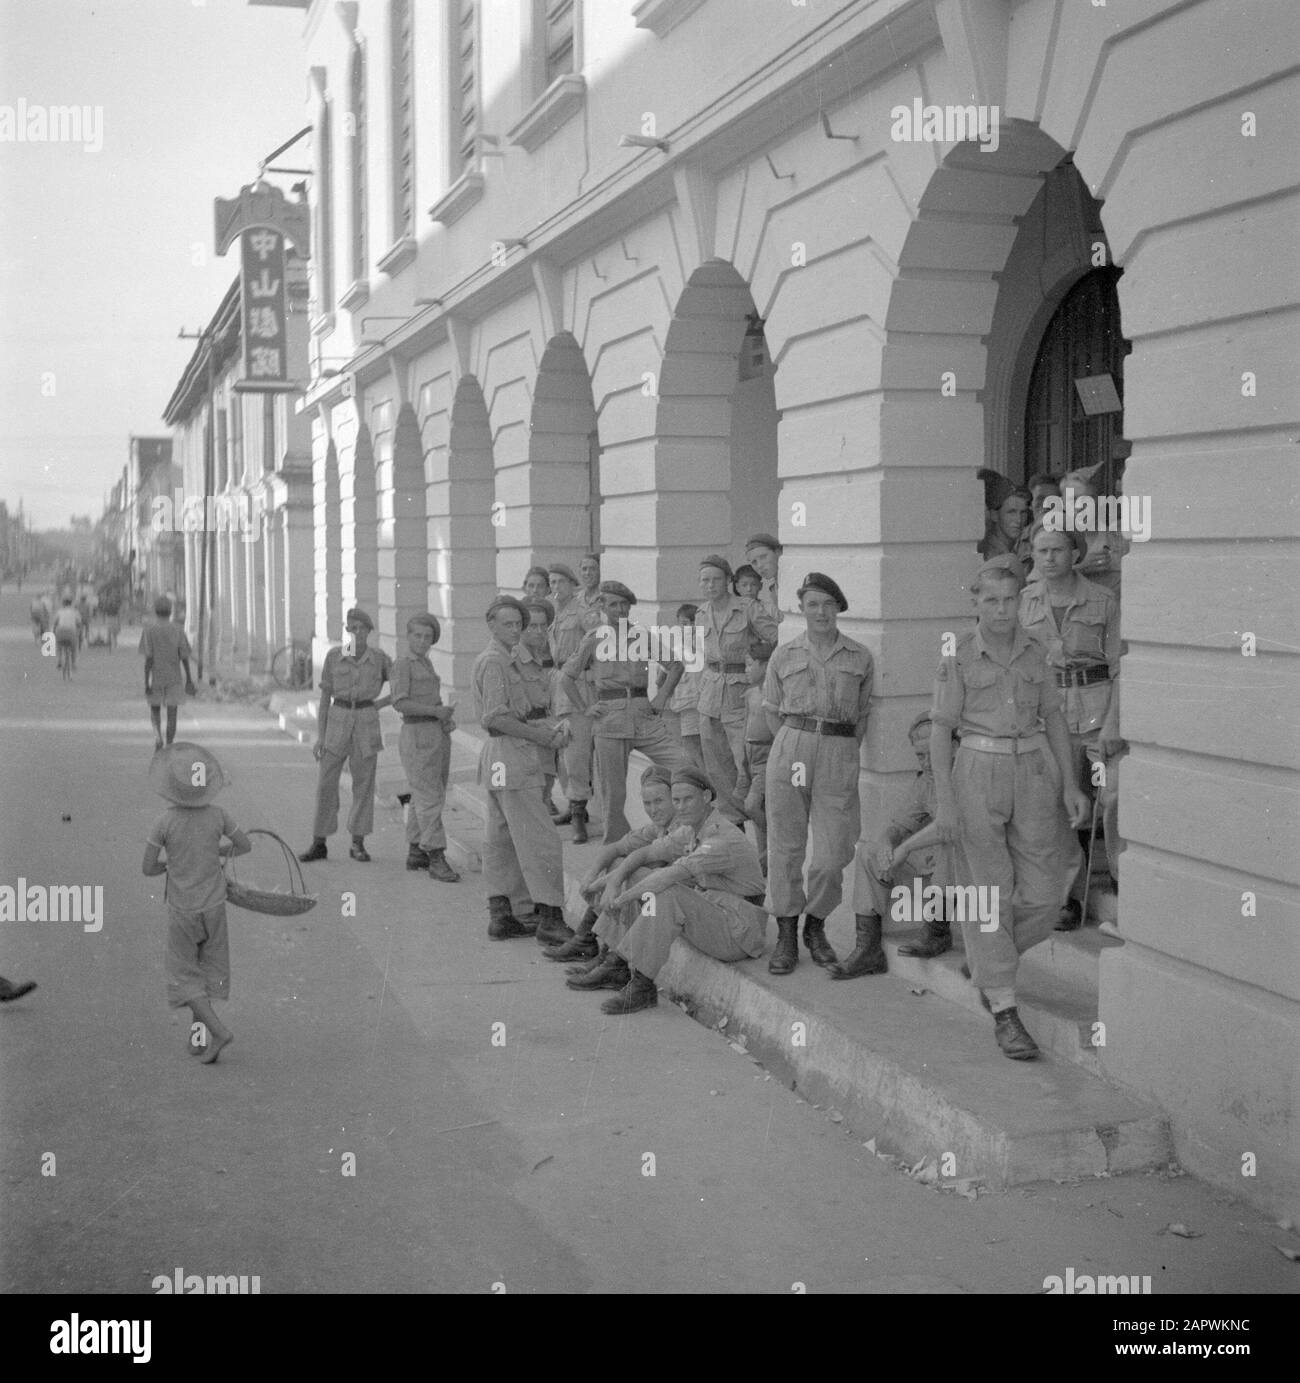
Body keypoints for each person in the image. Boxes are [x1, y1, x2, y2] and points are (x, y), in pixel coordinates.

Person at [930, 554, 1090, 1060]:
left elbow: (1054, 718)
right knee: (988, 891)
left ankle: (987, 957)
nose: (1002, 610)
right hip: (977, 768)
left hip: (1033, 769)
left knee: (1049, 889)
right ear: (975, 603)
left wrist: (1069, 784)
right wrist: (945, 800)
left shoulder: (1036, 649)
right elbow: (939, 728)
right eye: (991, 600)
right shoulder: (956, 654)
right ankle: (1004, 1009)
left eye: (1011, 599)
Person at [763, 572, 874, 975]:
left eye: (828, 604)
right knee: (786, 846)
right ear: (802, 609)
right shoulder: (785, 653)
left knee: (832, 853)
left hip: (838, 752)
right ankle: (787, 934)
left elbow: (862, 714)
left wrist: (838, 750)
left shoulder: (859, 656)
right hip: (792, 746)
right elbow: (772, 709)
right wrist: (793, 746)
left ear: (839, 609)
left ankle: (816, 924)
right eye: (813, 604)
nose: (821, 612)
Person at [590, 766, 768, 1015]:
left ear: (706, 797)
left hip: (739, 930)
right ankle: (616, 961)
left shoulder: (722, 838)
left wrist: (619, 899)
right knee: (636, 873)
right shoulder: (690, 830)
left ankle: (641, 986)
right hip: (714, 912)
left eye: (688, 799)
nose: (681, 807)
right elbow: (645, 854)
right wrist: (609, 883)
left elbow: (669, 876)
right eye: (676, 800)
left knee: (666, 891)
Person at [1019, 521, 1120, 929]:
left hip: (1098, 712)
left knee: (1113, 794)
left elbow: (1120, 668)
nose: (1049, 558)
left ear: (1075, 554)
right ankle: (1067, 898)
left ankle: (1121, 883)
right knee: (1057, 803)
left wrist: (1113, 724)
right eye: (1041, 551)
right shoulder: (1024, 602)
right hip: (1048, 715)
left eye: (1057, 550)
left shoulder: (1103, 600)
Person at [141, 742, 251, 1064]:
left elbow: (148, 868)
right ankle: (199, 1037)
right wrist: (212, 853)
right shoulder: (218, 815)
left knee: (183, 974)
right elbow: (244, 846)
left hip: (183, 910)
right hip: (215, 906)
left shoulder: (164, 822)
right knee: (207, 970)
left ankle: (217, 1032)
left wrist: (171, 864)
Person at [473, 595, 570, 944]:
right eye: (508, 624)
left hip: (502, 757)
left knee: (501, 838)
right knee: (541, 840)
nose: (515, 630)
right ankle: (550, 918)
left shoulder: (504, 659)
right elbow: (496, 717)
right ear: (491, 624)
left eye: (519, 624)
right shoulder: (496, 662)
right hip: (512, 757)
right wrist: (544, 738)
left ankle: (502, 914)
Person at [561, 580, 684, 844]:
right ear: (603, 606)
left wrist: (661, 696)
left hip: (643, 714)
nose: (620, 609)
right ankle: (618, 851)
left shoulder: (641, 636)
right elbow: (566, 678)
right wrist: (585, 708)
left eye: (624, 604)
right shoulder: (594, 638)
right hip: (609, 719)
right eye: (614, 604)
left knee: (683, 766)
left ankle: (676, 835)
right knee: (613, 794)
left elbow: (675, 665)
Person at [832, 713, 951, 977]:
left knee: (948, 850)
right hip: (933, 868)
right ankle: (868, 949)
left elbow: (949, 827)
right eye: (921, 756)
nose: (928, 762)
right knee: (869, 853)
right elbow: (900, 825)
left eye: (933, 752)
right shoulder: (926, 781)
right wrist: (888, 842)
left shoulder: (967, 777)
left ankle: (938, 932)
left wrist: (905, 849)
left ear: (952, 746)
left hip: (969, 870)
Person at [557, 764, 686, 971]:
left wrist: (611, 882)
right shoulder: (658, 827)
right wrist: (591, 875)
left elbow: (648, 862)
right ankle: (600, 949)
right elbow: (614, 848)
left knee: (631, 875)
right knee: (619, 866)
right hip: (666, 900)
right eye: (647, 803)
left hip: (685, 904)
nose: (653, 809)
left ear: (674, 798)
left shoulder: (683, 827)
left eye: (659, 801)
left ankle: (610, 957)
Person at [299, 607, 392, 864]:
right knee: (326, 785)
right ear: (348, 631)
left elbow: (401, 686)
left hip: (366, 722)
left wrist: (380, 704)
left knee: (363, 784)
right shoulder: (333, 657)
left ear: (369, 631)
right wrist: (320, 736)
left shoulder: (380, 659)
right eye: (352, 628)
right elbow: (324, 698)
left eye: (362, 628)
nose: (357, 633)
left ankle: (358, 843)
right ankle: (319, 842)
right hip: (337, 722)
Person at [695, 555, 778, 825]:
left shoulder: (747, 608)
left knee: (747, 767)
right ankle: (734, 826)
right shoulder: (700, 613)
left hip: (741, 695)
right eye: (705, 580)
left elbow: (777, 641)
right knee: (717, 768)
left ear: (728, 581)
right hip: (710, 697)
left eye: (716, 579)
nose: (711, 585)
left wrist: (762, 672)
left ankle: (764, 831)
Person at [391, 613, 459, 883]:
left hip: (434, 733)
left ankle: (416, 850)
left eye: (427, 637)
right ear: (408, 636)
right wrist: (434, 711)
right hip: (417, 733)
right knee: (429, 796)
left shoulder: (425, 663)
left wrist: (443, 717)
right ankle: (436, 856)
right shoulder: (402, 664)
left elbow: (431, 698)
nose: (422, 641)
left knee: (428, 793)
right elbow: (400, 702)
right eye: (417, 635)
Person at [548, 562, 594, 841]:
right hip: (558, 686)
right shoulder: (557, 614)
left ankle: (578, 814)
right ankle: (572, 806)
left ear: (573, 585)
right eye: (551, 583)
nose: (555, 588)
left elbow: (601, 639)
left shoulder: (583, 613)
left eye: (560, 582)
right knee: (563, 755)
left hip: (578, 686)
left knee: (576, 755)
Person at [519, 597, 562, 818]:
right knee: (531, 805)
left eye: (543, 625)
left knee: (544, 797)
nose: (539, 631)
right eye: (532, 626)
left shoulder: (542, 656)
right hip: (525, 739)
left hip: (545, 735)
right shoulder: (513, 658)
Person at [732, 648, 773, 871]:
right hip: (750, 754)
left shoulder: (772, 696)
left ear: (765, 665)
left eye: (750, 664)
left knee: (752, 805)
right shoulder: (750, 694)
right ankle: (763, 856)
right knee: (745, 801)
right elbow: (747, 724)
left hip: (767, 755)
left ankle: (774, 843)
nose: (746, 670)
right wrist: (742, 759)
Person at [140, 596, 195, 747]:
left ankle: (158, 736)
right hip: (174, 677)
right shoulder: (177, 630)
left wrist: (146, 682)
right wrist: (189, 678)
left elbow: (148, 659)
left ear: (156, 611)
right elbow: (184, 656)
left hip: (156, 677)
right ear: (170, 611)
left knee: (155, 709)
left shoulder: (149, 630)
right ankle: (169, 743)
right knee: (172, 713)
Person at [663, 602, 704, 771]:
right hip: (679, 707)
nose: (688, 629)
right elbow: (663, 679)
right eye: (684, 624)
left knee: (695, 748)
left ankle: (706, 784)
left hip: (696, 706)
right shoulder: (675, 650)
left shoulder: (704, 649)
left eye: (692, 624)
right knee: (686, 750)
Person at [976, 468, 1031, 562]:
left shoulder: (1016, 548)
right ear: (993, 514)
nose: (1019, 520)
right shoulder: (991, 552)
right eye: (1011, 512)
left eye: (1023, 512)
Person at [744, 533, 783, 626]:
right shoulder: (774, 588)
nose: (760, 565)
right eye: (754, 562)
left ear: (778, 552)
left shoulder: (793, 581)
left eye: (763, 557)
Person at [574, 553, 603, 630]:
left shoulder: (606, 598)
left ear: (601, 571)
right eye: (584, 569)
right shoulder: (575, 599)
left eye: (592, 569)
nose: (588, 573)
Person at [52, 597, 80, 675]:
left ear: (63, 604)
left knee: (58, 646)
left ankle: (59, 660)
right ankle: (73, 664)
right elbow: (79, 623)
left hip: (61, 632)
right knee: (74, 648)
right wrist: (78, 632)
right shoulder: (75, 612)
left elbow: (55, 623)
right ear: (71, 603)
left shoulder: (59, 611)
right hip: (71, 632)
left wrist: (54, 632)